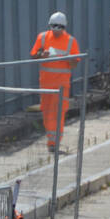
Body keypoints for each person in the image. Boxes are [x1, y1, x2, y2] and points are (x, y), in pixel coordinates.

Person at [31, 12, 80, 153]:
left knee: (58, 112)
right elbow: (34, 55)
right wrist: (42, 55)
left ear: (64, 27)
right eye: (54, 26)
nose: (56, 29)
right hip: (46, 84)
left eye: (59, 27)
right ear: (50, 26)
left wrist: (67, 57)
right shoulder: (42, 38)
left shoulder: (71, 41)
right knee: (46, 111)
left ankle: (54, 142)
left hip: (61, 85)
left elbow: (75, 63)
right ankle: (51, 138)